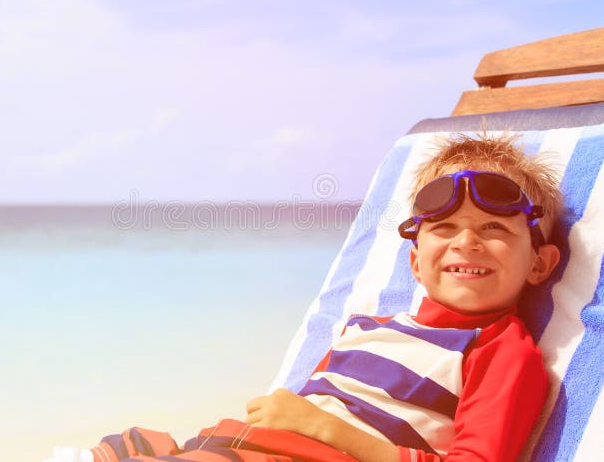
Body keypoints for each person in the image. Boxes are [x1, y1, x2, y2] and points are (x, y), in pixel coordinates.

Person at [67, 133, 563, 462]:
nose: (466, 242)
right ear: (414, 262)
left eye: (494, 228)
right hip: (236, 447)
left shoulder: (501, 350)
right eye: (446, 228)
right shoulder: (366, 329)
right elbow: (306, 406)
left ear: (540, 263)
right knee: (122, 446)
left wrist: (324, 429)